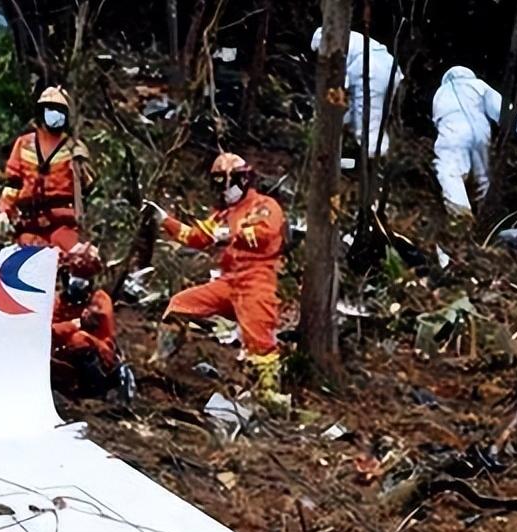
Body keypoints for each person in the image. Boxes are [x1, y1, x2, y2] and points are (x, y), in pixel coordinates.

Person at [145, 152, 289, 408]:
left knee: (260, 342)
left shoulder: (265, 205)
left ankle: (267, 397)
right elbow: (198, 237)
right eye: (219, 182)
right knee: (180, 304)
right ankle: (162, 362)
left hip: (257, 280)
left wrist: (233, 233)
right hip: (228, 282)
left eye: (229, 182)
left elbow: (266, 233)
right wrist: (165, 221)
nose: (225, 189)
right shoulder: (222, 214)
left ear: (244, 180)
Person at [431, 66, 517, 217]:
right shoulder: (478, 85)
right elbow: (502, 110)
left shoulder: (440, 93)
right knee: (482, 180)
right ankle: (486, 219)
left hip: (453, 133)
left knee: (450, 172)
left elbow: (438, 121)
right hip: (481, 133)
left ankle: (461, 218)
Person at [0, 86, 94, 252]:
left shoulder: (73, 148)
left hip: (62, 223)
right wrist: (4, 211)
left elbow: (87, 186)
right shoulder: (24, 144)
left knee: (80, 258)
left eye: (59, 111)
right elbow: (13, 183)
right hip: (29, 224)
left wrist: (81, 164)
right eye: (50, 110)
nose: (54, 115)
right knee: (25, 261)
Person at [311, 27, 404, 159]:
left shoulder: (335, 45)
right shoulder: (352, 38)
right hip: (389, 68)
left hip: (370, 71)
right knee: (376, 119)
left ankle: (373, 163)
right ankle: (376, 160)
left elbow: (341, 90)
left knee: (367, 125)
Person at [50, 248, 117, 396]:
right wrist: (73, 325)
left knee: (79, 340)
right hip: (64, 354)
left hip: (99, 353)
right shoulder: (59, 301)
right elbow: (50, 330)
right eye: (73, 275)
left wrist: (79, 327)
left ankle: (96, 391)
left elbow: (105, 336)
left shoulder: (99, 300)